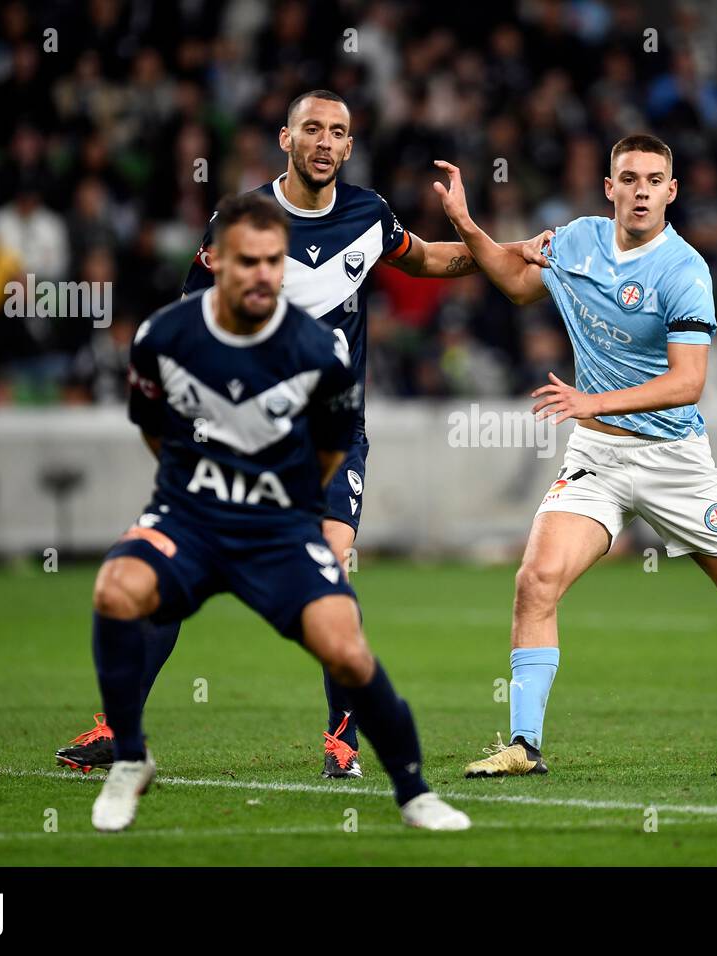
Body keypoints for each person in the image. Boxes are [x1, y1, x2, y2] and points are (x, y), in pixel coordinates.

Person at [431, 134, 717, 778]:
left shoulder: (685, 270)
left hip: (675, 459)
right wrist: (464, 222)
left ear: (671, 192)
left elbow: (688, 383)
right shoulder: (575, 241)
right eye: (630, 177)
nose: (641, 189)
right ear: (610, 188)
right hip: (598, 456)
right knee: (535, 581)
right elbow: (513, 282)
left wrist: (595, 402)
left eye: (654, 179)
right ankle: (524, 745)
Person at [88, 192, 469, 832]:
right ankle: (129, 757)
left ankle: (413, 791)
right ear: (214, 260)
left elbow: (331, 450)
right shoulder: (163, 338)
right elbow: (156, 430)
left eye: (274, 261)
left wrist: (285, 508)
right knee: (117, 587)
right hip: (192, 519)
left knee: (346, 648)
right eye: (247, 262)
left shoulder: (321, 353)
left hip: (276, 528)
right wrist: (193, 490)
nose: (263, 275)